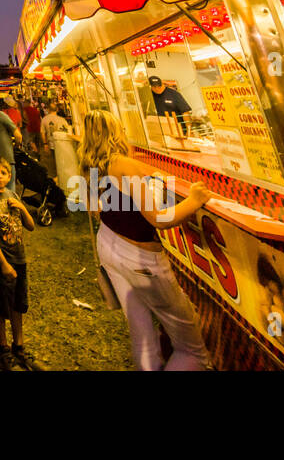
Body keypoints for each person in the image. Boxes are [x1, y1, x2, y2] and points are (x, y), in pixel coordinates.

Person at [78, 109, 213, 371]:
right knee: (192, 349)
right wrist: (194, 200)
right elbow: (159, 220)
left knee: (142, 337)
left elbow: (95, 208)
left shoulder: (89, 162)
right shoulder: (123, 164)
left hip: (108, 244)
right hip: (140, 259)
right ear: (116, 132)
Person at [0, 154, 38, 370]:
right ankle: (2, 347)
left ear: (9, 176)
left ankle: (19, 346)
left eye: (3, 172)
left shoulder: (12, 194)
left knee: (18, 303)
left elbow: (31, 226)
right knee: (1, 303)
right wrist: (3, 262)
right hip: (2, 260)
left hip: (20, 258)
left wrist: (22, 207)